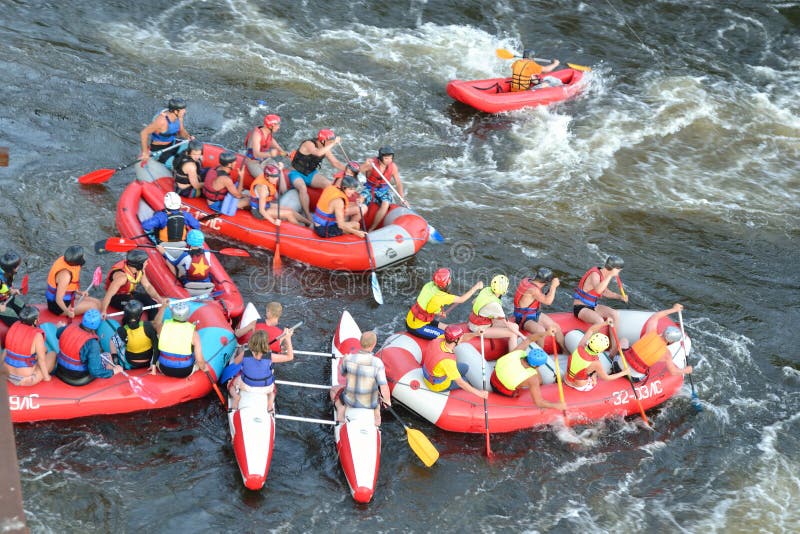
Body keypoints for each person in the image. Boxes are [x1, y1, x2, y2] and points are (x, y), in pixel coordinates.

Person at [490, 330, 566, 410]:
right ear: (537, 365)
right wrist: (556, 406)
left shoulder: (517, 353)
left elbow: (529, 339)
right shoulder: (532, 379)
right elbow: (539, 402)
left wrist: (546, 333)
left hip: (492, 379)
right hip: (503, 392)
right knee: (539, 381)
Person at [614, 303, 694, 378]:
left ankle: (611, 357)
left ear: (664, 332)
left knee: (624, 340)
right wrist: (686, 370)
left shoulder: (650, 332)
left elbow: (656, 316)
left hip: (618, 366)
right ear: (672, 342)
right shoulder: (667, 354)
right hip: (633, 377)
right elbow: (673, 372)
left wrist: (674, 309)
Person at [330, 331, 391, 426]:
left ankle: (340, 408)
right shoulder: (377, 363)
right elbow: (384, 387)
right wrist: (387, 402)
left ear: (360, 342)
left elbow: (343, 374)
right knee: (378, 394)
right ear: (374, 344)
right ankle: (377, 414)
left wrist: (345, 361)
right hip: (370, 404)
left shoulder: (348, 358)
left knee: (333, 390)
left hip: (350, 402)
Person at [227, 328, 295, 412]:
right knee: (273, 390)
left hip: (246, 385)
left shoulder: (245, 354)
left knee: (231, 385)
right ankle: (270, 404)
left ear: (251, 342)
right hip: (265, 387)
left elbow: (236, 362)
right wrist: (288, 338)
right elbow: (290, 357)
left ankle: (236, 398)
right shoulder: (270, 356)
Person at [406, 268, 483, 339]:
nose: (450, 279)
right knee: (451, 337)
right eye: (449, 278)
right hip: (415, 327)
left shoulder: (429, 285)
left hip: (411, 319)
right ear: (446, 283)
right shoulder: (442, 296)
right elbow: (462, 299)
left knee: (446, 327)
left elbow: (429, 306)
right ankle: (473, 335)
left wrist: (439, 313)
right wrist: (476, 287)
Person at [572, 255, 628, 354]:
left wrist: (620, 297)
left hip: (593, 306)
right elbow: (598, 290)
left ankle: (613, 349)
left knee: (614, 314)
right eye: (619, 270)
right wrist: (611, 275)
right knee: (599, 320)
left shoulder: (603, 275)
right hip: (580, 307)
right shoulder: (595, 274)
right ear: (614, 269)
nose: (619, 273)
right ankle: (591, 350)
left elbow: (605, 292)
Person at [55, 309, 123, 386]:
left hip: (60, 370)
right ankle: (107, 385)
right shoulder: (92, 344)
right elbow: (94, 371)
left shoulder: (68, 328)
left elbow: (58, 334)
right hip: (77, 377)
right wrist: (114, 371)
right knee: (107, 356)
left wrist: (60, 327)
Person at [289, 129, 345, 221]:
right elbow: (317, 152)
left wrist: (348, 170)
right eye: (329, 141)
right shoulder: (309, 144)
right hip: (296, 173)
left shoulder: (325, 148)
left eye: (331, 141)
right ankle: (307, 215)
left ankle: (327, 211)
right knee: (302, 188)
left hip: (311, 174)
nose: (331, 143)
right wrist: (334, 143)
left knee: (329, 185)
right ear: (323, 141)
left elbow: (335, 163)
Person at [421, 325, 488, 399]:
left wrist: (475, 334)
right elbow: (461, 383)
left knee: (465, 367)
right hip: (438, 385)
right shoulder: (448, 361)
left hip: (434, 372)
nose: (463, 337)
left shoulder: (440, 338)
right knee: (465, 380)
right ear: (456, 340)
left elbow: (462, 338)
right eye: (461, 337)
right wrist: (480, 394)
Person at [565, 320, 630, 392]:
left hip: (567, 379)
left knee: (589, 369)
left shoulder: (581, 346)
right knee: (595, 375)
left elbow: (591, 329)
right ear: (601, 351)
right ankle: (592, 379)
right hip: (579, 385)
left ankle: (591, 374)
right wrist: (624, 372)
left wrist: (605, 323)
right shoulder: (596, 363)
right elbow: (606, 378)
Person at [101, 249, 166, 317]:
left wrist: (159, 299)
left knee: (152, 304)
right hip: (116, 298)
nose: (147, 263)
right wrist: (103, 311)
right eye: (146, 262)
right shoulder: (121, 277)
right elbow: (109, 295)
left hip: (129, 294)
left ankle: (152, 324)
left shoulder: (140, 270)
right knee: (133, 308)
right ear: (139, 265)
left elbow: (147, 286)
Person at [513, 267, 565, 350]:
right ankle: (540, 353)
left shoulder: (527, 280)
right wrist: (553, 287)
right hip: (523, 319)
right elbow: (548, 301)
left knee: (556, 327)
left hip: (533, 313)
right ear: (546, 282)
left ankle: (564, 350)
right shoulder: (533, 290)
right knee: (541, 331)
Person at [2, 306, 56, 386]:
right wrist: (46, 377)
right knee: (53, 354)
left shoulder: (13, 327)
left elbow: (6, 350)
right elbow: (41, 360)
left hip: (7, 372)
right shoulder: (37, 336)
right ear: (35, 321)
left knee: (43, 349)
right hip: (24, 377)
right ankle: (34, 377)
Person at [467, 274, 522, 351]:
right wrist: (523, 336)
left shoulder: (486, 290)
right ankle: (513, 358)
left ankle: (513, 345)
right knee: (513, 334)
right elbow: (507, 324)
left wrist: (485, 312)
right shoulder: (495, 305)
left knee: (515, 326)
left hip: (477, 322)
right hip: (479, 328)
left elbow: (474, 302)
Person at [45, 245, 101, 318]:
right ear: (79, 260)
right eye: (83, 255)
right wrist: (68, 312)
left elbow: (70, 285)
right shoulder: (65, 276)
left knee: (98, 303)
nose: (85, 256)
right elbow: (58, 299)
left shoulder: (70, 262)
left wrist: (79, 292)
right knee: (94, 306)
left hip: (69, 297)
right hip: (58, 307)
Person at [154, 302, 205, 378]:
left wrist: (163, 307)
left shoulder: (161, 327)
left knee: (158, 336)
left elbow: (156, 323)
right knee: (197, 355)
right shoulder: (194, 334)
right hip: (185, 371)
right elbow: (200, 360)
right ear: (187, 315)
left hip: (164, 368)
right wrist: (204, 368)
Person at [110, 299, 165, 370]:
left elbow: (114, 343)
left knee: (113, 341)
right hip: (148, 360)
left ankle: (116, 364)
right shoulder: (149, 326)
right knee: (155, 341)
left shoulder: (122, 330)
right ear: (140, 314)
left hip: (131, 361)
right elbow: (156, 347)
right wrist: (153, 363)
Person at [362, 146, 405, 231]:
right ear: (381, 158)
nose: (389, 160)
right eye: (386, 158)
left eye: (391, 158)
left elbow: (398, 183)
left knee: (385, 204)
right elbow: (358, 170)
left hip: (383, 191)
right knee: (361, 203)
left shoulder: (393, 167)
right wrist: (365, 164)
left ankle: (372, 228)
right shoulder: (372, 165)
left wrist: (402, 198)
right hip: (370, 188)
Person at [139, 97, 192, 163]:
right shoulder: (162, 121)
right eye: (183, 110)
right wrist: (145, 152)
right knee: (179, 163)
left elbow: (181, 131)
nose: (185, 111)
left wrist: (188, 137)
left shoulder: (179, 116)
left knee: (193, 147)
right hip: (160, 150)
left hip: (173, 143)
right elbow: (144, 133)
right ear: (176, 111)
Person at [244, 114, 288, 183]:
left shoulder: (268, 133)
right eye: (277, 125)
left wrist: (285, 154)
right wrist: (270, 154)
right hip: (253, 163)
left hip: (265, 160)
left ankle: (283, 192)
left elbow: (276, 146)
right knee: (267, 181)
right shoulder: (257, 135)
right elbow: (256, 154)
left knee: (278, 175)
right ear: (271, 126)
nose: (279, 127)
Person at [0, 251, 24, 325]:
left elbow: (5, 287)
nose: (18, 267)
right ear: (12, 268)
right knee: (16, 322)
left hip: (6, 297)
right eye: (17, 266)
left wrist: (12, 291)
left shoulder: (8, 273)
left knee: (25, 310)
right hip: (1, 303)